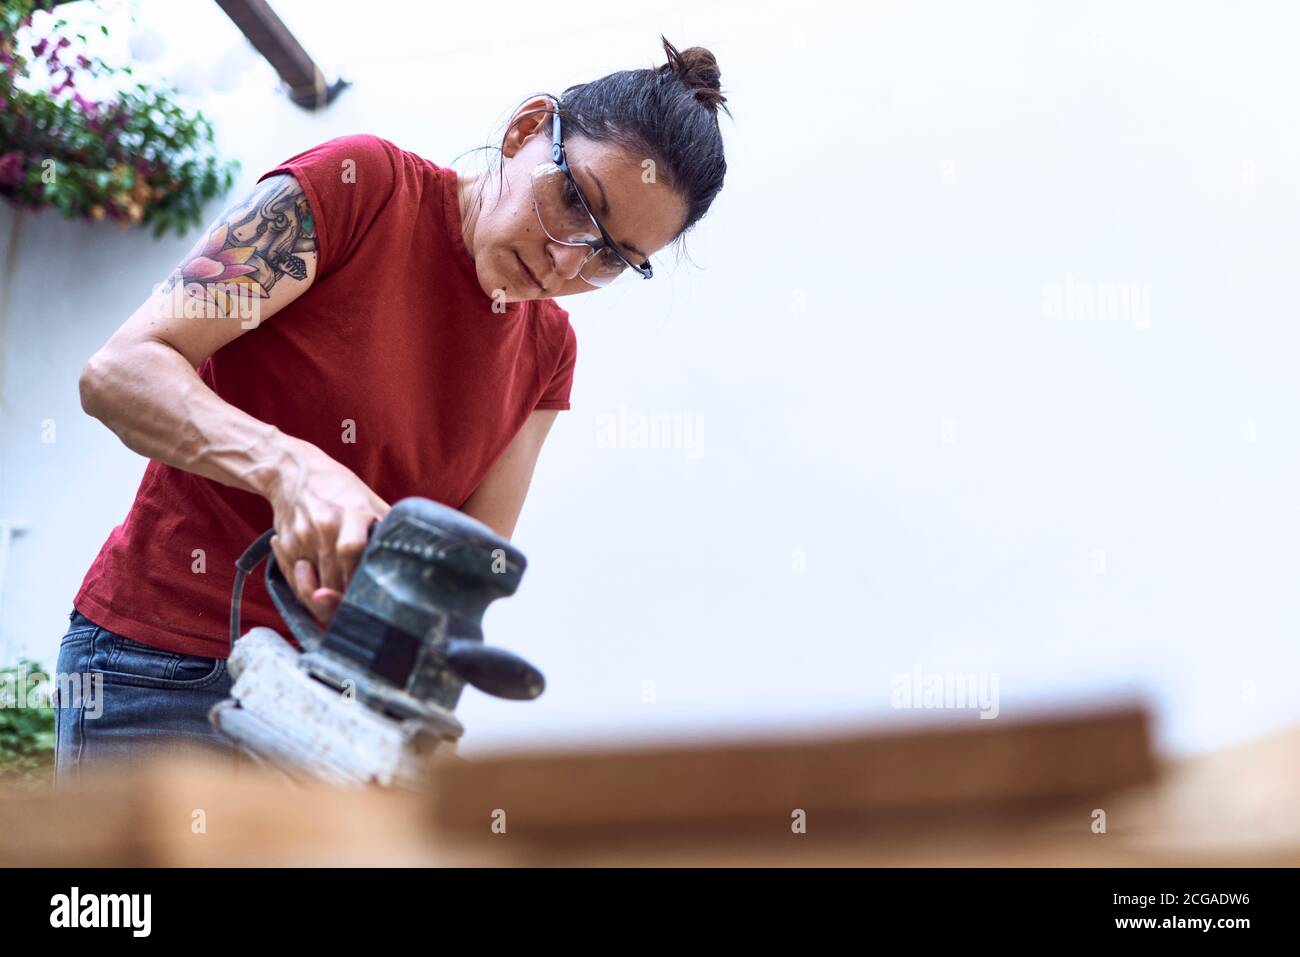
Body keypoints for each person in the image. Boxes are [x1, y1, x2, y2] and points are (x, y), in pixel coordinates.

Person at [53, 37, 731, 781]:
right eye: (574, 198)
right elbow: (120, 372)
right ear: (525, 130)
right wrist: (290, 469)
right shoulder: (361, 188)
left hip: (333, 717)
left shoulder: (549, 353)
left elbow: (455, 573)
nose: (568, 257)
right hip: (161, 668)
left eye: (611, 256)